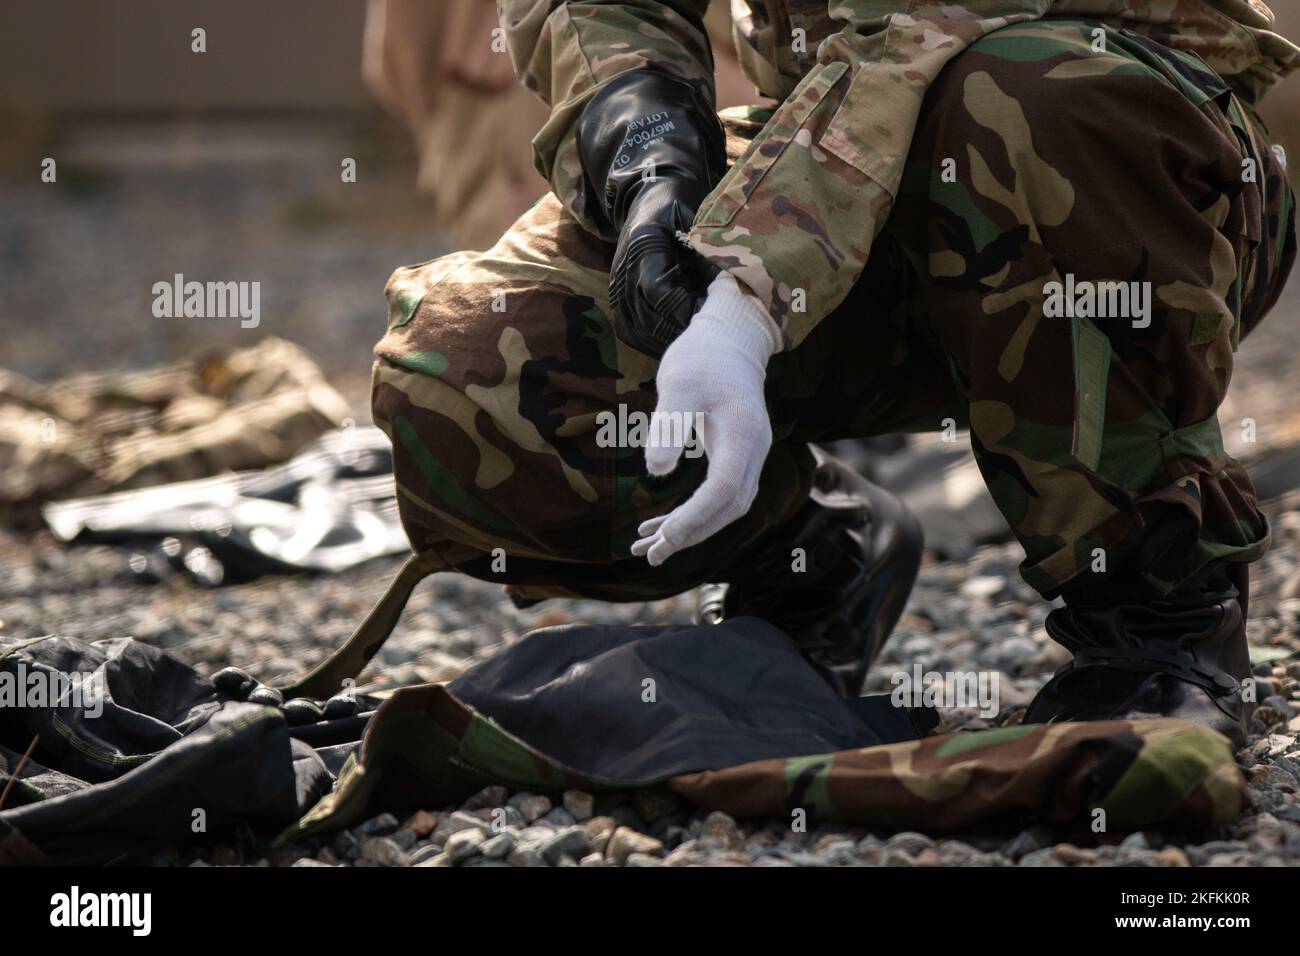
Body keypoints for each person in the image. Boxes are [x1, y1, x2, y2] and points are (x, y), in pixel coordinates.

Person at [368, 1, 1298, 746]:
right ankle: (815, 559)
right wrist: (650, 163)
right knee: (473, 370)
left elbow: (926, 27)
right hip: (843, 155)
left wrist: (746, 296)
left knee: (1021, 97)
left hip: (1123, 181)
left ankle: (1161, 606)